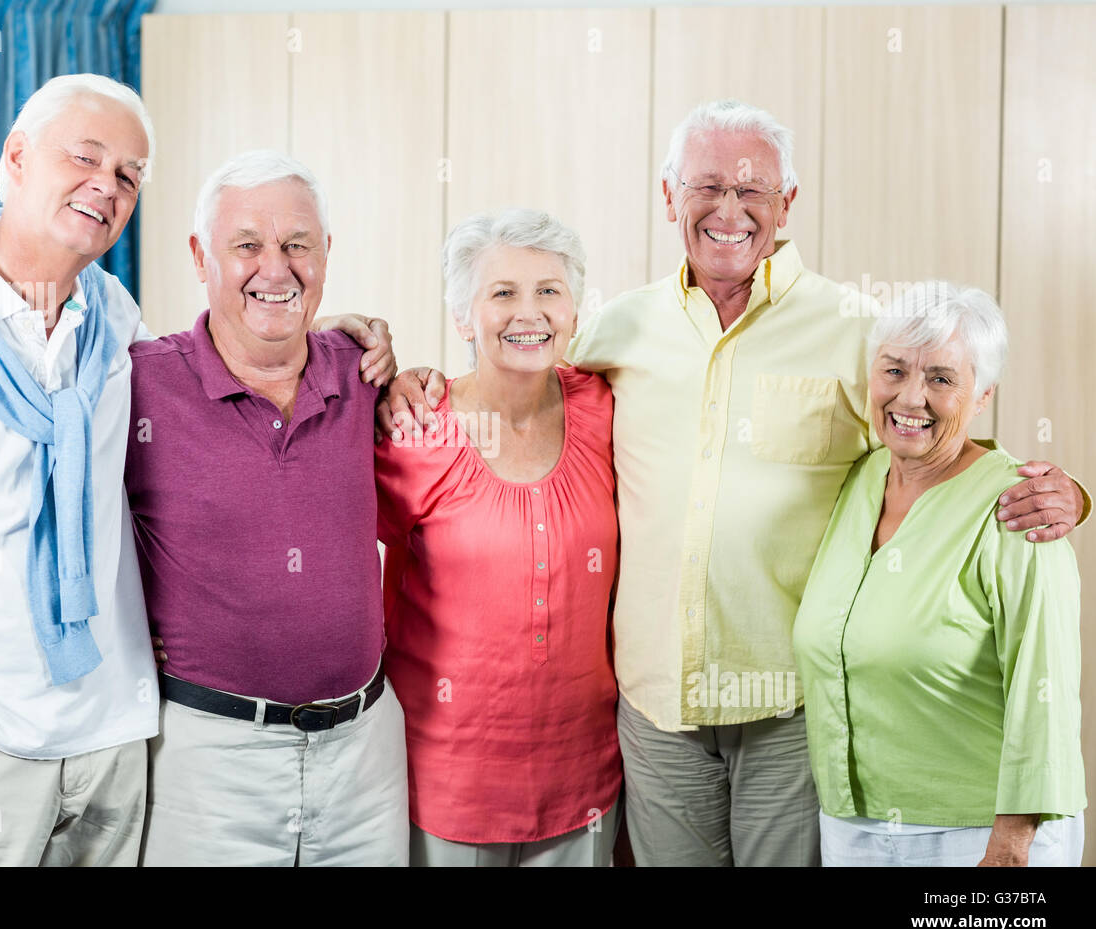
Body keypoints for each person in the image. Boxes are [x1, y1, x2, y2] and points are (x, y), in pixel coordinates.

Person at [382, 99, 1087, 866]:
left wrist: (1070, 492)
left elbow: (927, 419)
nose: (729, 210)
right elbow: (515, 357)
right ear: (668, 198)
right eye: (707, 186)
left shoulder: (855, 328)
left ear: (787, 204)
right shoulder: (617, 328)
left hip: (786, 709)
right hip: (655, 713)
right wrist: (416, 381)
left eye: (754, 191)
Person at [0, 78, 395, 867]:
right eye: (85, 158)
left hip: (114, 738)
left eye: (127, 175)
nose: (106, 187)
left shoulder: (113, 324)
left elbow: (246, 343)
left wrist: (339, 333)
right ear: (15, 158)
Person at [129, 151, 408, 866]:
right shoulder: (139, 383)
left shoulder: (363, 370)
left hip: (365, 751)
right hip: (209, 760)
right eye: (246, 245)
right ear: (200, 256)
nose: (275, 269)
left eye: (296, 245)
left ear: (326, 255)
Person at [794, 282, 1085, 866]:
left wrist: (1011, 843)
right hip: (853, 824)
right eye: (894, 370)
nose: (911, 397)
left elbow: (1043, 687)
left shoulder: (1019, 508)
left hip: (977, 833)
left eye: (942, 379)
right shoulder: (859, 480)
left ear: (983, 395)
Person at [376, 209, 621, 866]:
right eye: (503, 293)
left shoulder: (606, 408)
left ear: (573, 310)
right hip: (449, 782)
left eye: (549, 291)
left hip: (585, 775)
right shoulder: (413, 426)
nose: (529, 313)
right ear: (463, 317)